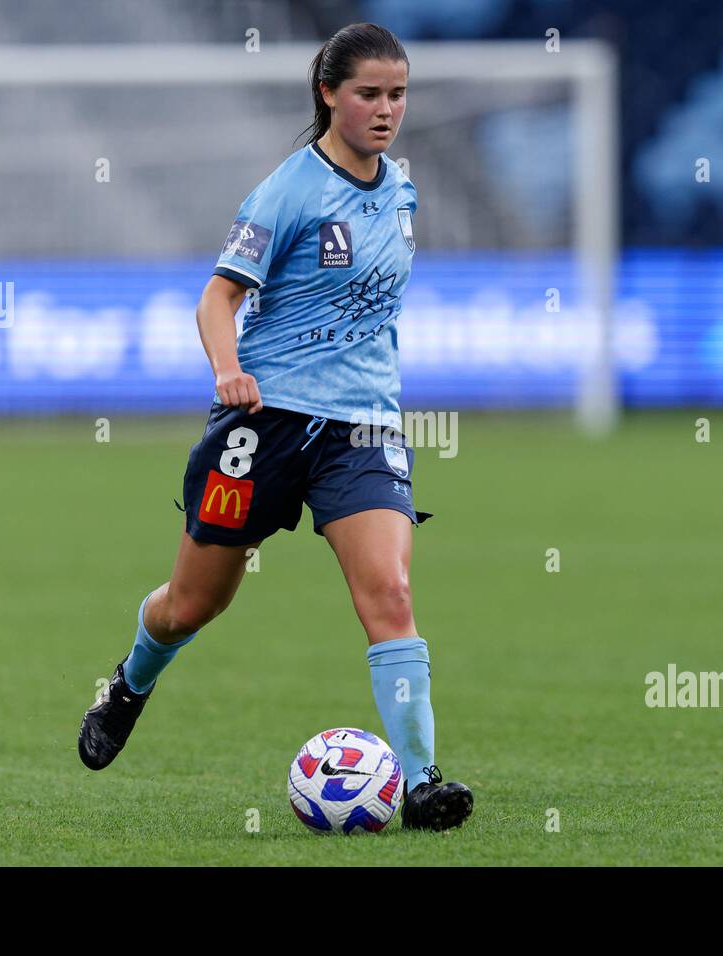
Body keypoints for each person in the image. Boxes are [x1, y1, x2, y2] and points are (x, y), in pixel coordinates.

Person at [78, 22, 473, 832]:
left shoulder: (401, 189)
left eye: (398, 94)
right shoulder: (289, 190)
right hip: (265, 422)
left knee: (390, 594)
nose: (386, 110)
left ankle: (424, 779)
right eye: (369, 93)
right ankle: (128, 683)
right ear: (328, 92)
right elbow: (217, 296)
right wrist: (228, 368)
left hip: (363, 427)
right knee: (192, 606)